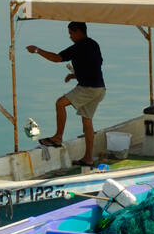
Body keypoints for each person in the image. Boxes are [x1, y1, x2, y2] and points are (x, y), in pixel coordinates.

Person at [26, 21, 105, 167]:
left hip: (88, 88)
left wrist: (37, 50)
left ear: (78, 32)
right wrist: (75, 76)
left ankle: (57, 137)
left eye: (71, 33)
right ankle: (88, 158)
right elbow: (95, 65)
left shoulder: (79, 46)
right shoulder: (93, 44)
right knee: (87, 122)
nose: (70, 37)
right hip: (99, 88)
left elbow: (57, 58)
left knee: (60, 103)